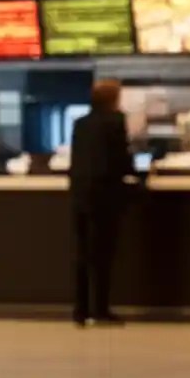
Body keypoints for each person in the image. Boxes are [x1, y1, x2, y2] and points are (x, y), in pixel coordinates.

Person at [68, 79, 133, 327]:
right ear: (114, 99)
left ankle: (80, 310)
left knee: (82, 254)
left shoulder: (80, 123)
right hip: (105, 196)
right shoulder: (115, 122)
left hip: (80, 196)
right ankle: (101, 309)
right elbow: (121, 158)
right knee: (103, 255)